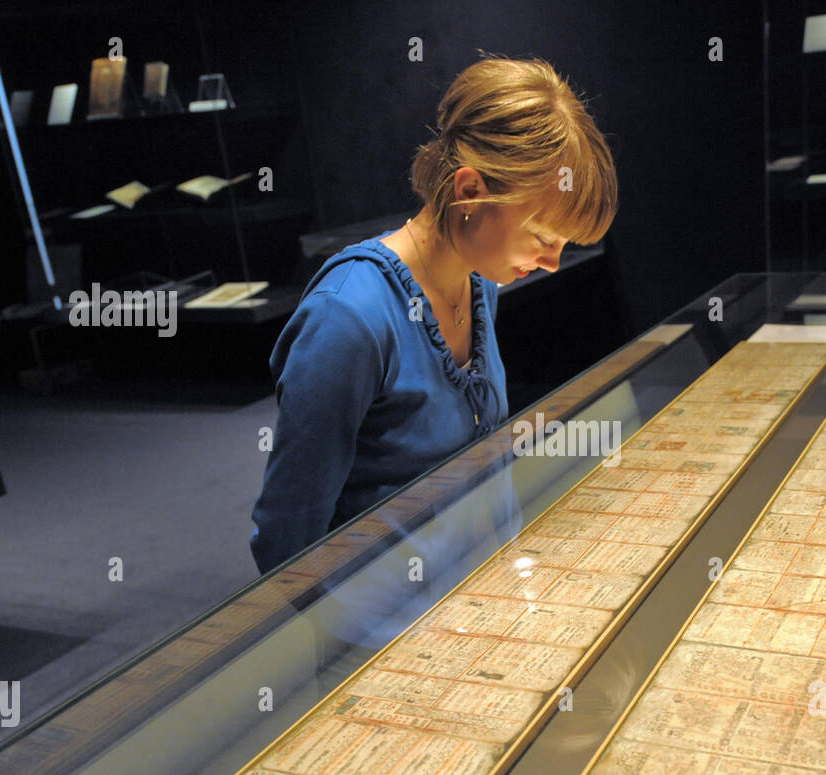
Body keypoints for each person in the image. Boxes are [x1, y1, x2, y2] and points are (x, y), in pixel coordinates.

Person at [249, 55, 619, 575]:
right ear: (470, 191)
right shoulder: (348, 317)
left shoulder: (479, 283)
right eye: (543, 238)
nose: (553, 265)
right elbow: (287, 535)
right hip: (383, 634)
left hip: (475, 602)